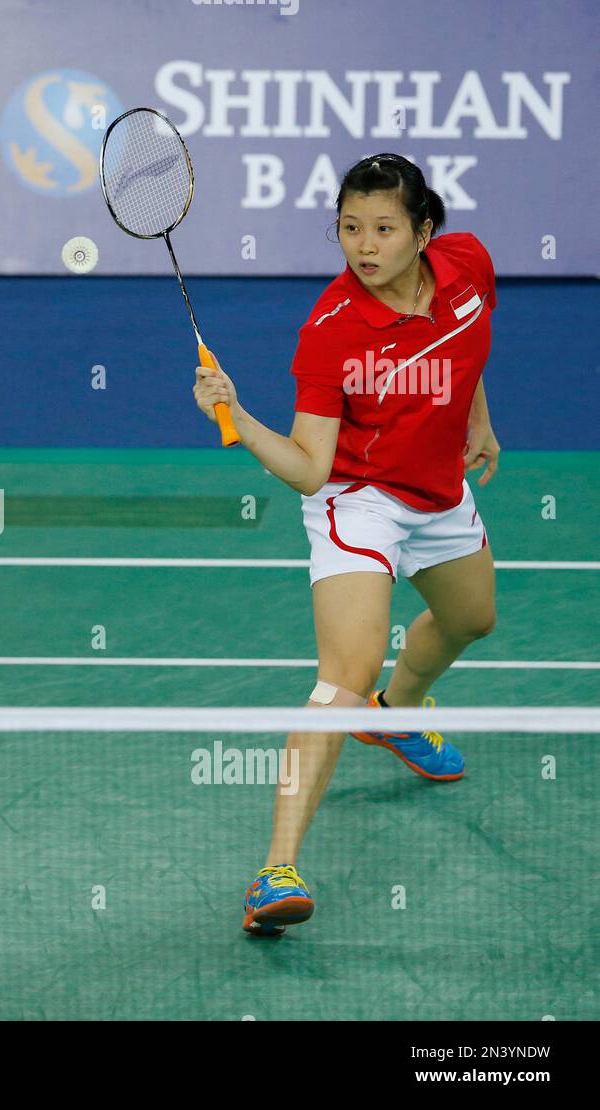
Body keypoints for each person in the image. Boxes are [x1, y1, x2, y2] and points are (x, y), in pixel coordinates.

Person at [193, 154, 500, 936]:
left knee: (471, 620)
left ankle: (394, 713)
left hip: (437, 490)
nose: (364, 246)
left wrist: (477, 421)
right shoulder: (331, 332)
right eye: (349, 228)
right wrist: (240, 416)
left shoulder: (468, 268)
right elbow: (307, 468)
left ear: (424, 233)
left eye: (383, 229)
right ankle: (277, 870)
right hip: (357, 500)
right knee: (343, 674)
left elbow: (469, 346)